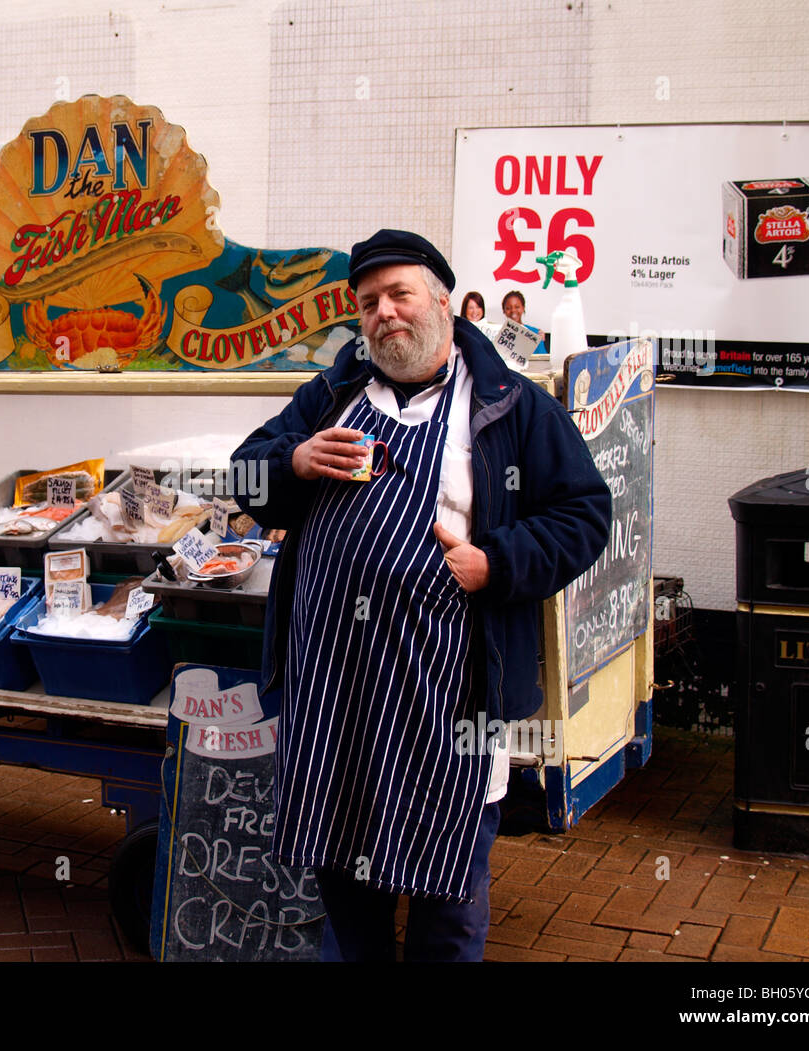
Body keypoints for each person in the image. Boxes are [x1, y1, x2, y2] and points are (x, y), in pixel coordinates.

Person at [230, 229, 610, 962]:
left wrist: (494, 562)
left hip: (448, 701)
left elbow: (584, 514)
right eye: (368, 303)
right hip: (333, 697)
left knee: (448, 903)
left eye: (399, 294)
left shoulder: (510, 405)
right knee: (346, 881)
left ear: (442, 298)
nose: (384, 314)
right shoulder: (333, 392)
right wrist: (296, 459)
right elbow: (242, 478)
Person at [502, 288, 545, 353]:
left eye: (517, 307)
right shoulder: (498, 333)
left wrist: (541, 341)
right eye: (508, 308)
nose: (513, 310)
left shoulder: (535, 333)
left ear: (523, 308)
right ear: (504, 311)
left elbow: (543, 358)